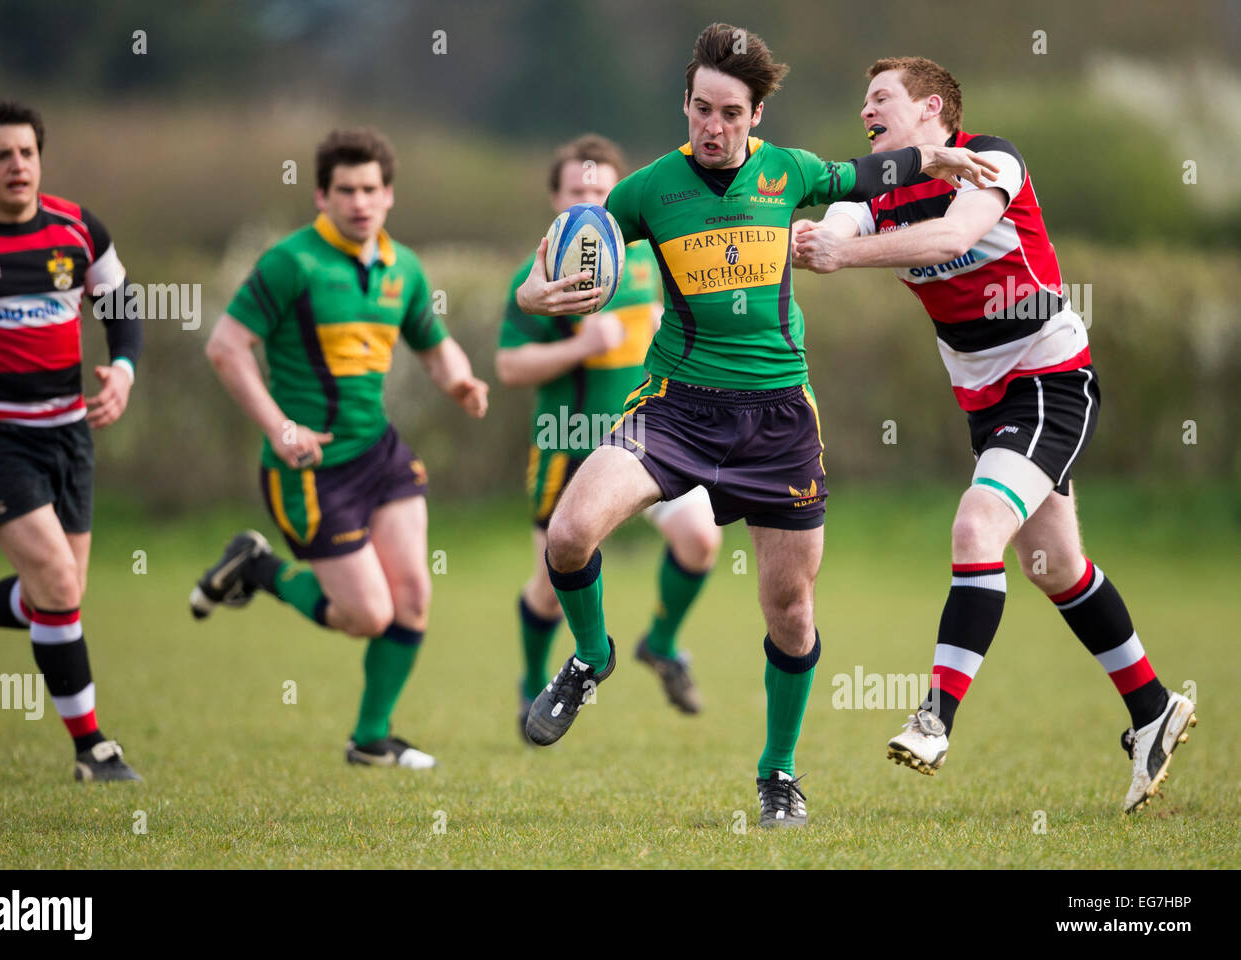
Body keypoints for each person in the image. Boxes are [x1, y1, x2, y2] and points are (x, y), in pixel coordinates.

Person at [513, 25, 998, 827]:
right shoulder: (645, 191)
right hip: (674, 405)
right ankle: (593, 656)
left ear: (756, 114)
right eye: (701, 108)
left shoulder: (788, 172)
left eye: (730, 112)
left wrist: (934, 158)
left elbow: (864, 171)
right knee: (568, 534)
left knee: (789, 607)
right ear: (686, 105)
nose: (713, 125)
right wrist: (536, 295)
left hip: (778, 418)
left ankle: (779, 775)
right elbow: (557, 260)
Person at [793, 56, 1196, 814]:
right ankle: (1153, 709)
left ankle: (935, 719)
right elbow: (837, 222)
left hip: (1050, 381)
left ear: (933, 111)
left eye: (879, 98)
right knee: (1056, 565)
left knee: (977, 522)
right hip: (988, 403)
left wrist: (841, 252)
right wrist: (804, 238)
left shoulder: (991, 157)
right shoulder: (879, 189)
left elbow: (952, 236)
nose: (864, 113)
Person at [192, 128, 489, 770]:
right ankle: (258, 568)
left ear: (389, 196)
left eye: (372, 190)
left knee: (412, 597)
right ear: (321, 197)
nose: (360, 203)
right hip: (309, 471)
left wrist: (459, 380)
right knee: (367, 614)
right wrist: (278, 426)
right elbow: (225, 346)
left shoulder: (402, 267)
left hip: (379, 455)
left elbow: (433, 344)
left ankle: (371, 739)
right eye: (346, 191)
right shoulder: (290, 264)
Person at [0, 100, 143, 782]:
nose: (18, 165)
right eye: (2, 155)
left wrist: (124, 370)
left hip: (67, 432)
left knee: (59, 593)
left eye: (28, 151)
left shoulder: (78, 229)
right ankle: (93, 749)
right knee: (55, 583)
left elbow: (121, 311)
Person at [497, 134, 721, 741]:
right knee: (550, 582)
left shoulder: (650, 259)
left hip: (649, 435)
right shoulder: (541, 270)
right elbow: (509, 367)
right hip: (569, 440)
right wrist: (578, 346)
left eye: (601, 191)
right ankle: (530, 683)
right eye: (577, 192)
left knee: (702, 539)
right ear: (555, 198)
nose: (590, 202)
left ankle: (662, 644)